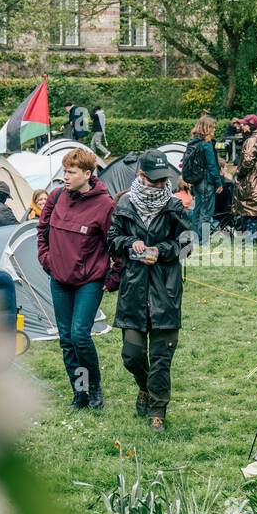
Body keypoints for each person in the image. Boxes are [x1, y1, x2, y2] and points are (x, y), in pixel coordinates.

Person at [107, 150, 191, 433]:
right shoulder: (125, 205)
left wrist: (161, 250)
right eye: (153, 180)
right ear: (141, 176)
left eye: (162, 180)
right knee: (131, 355)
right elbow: (112, 240)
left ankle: (158, 410)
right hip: (133, 290)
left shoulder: (174, 206)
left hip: (165, 290)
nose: (159, 185)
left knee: (161, 355)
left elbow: (187, 244)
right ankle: (144, 387)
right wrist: (131, 244)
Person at [38, 148, 118, 410]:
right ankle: (80, 392)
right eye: (64, 171)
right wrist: (46, 259)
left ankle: (94, 387)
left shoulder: (105, 205)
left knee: (80, 335)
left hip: (89, 280)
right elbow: (42, 229)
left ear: (87, 173)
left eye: (71, 172)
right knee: (66, 339)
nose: (65, 177)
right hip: (59, 278)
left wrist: (113, 276)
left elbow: (115, 243)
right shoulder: (57, 196)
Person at [185, 114, 221, 243]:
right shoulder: (206, 144)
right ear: (207, 128)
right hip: (207, 182)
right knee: (207, 212)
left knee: (197, 210)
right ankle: (204, 240)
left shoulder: (194, 141)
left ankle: (194, 238)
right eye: (213, 127)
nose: (214, 129)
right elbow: (212, 166)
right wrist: (218, 183)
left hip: (197, 181)